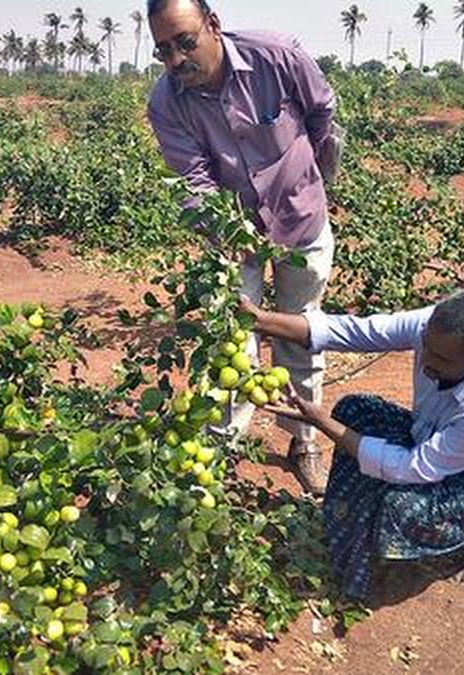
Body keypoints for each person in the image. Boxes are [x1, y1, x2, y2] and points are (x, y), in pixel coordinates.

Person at [146, 0, 343, 495]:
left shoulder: (276, 56)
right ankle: (220, 450)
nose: (176, 60)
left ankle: (305, 442)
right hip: (234, 239)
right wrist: (232, 231)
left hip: (302, 221)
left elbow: (322, 115)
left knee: (301, 334)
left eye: (185, 41)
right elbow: (194, 178)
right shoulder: (167, 102)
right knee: (233, 342)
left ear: (213, 25)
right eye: (163, 50)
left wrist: (314, 180)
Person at [241, 290, 464, 599]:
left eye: (441, 359)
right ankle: (348, 530)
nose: (425, 359)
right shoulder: (433, 327)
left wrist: (320, 422)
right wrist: (261, 321)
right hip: (431, 439)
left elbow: (411, 468)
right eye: (426, 347)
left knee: (400, 506)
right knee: (355, 411)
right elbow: (355, 331)